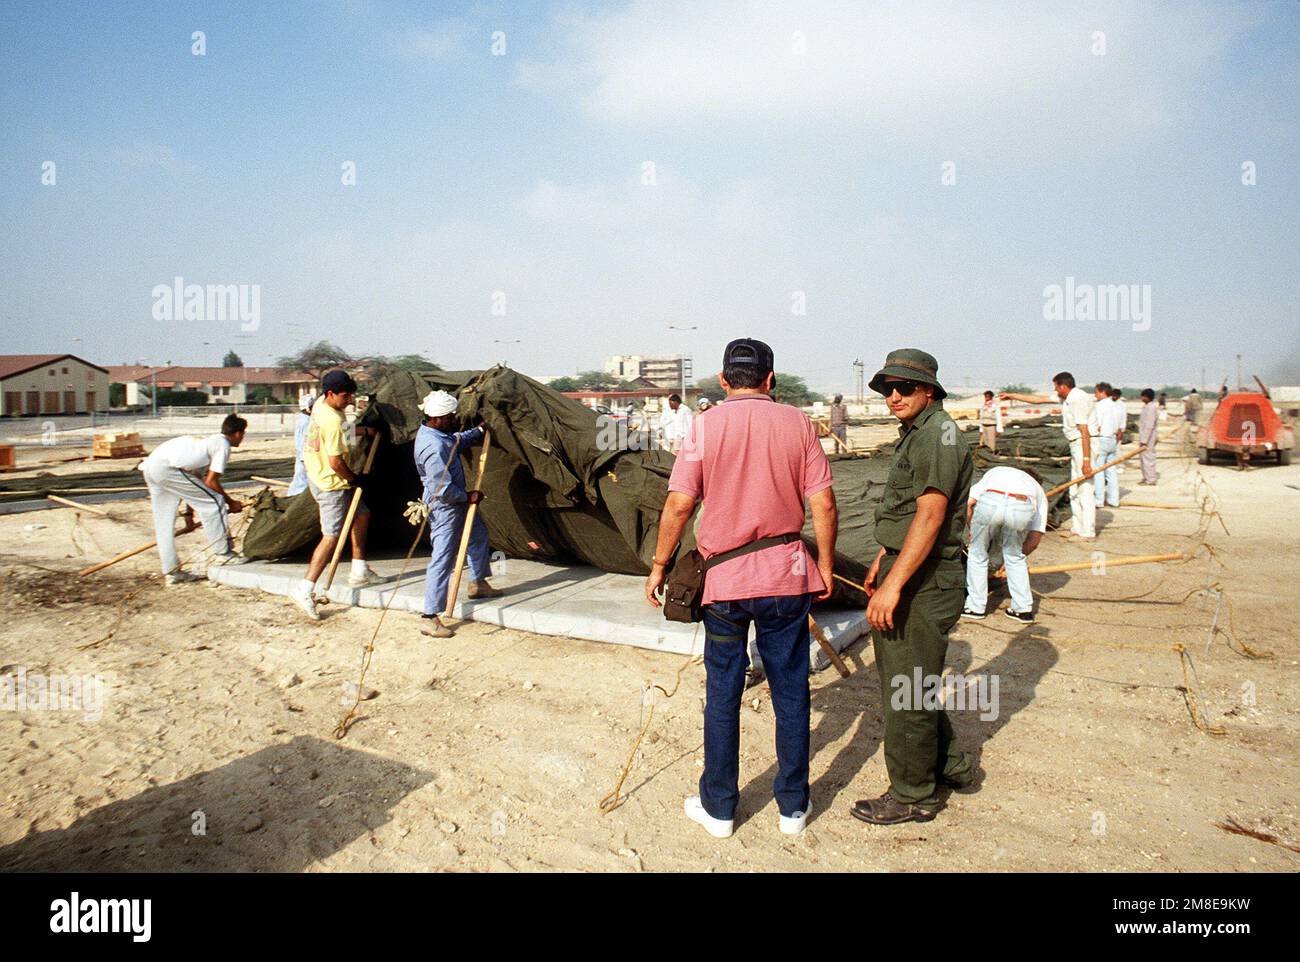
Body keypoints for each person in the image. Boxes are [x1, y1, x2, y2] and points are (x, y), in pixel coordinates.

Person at [645, 338, 837, 839]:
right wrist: (828, 567)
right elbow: (825, 506)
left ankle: (720, 808)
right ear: (771, 381)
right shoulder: (798, 423)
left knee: (723, 691)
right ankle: (793, 808)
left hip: (724, 586)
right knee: (791, 690)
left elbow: (679, 505)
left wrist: (660, 565)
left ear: (724, 380)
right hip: (786, 578)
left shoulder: (705, 425)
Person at [854, 349, 974, 825]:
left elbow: (931, 513)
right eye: (887, 389)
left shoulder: (938, 437)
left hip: (926, 582)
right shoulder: (920, 434)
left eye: (904, 388)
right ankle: (950, 766)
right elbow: (908, 508)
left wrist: (893, 586)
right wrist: (884, 556)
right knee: (910, 682)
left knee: (906, 689)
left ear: (930, 390)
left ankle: (912, 795)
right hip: (909, 571)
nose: (893, 397)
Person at [290, 370, 379, 620]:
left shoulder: (321, 405)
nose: (350, 400)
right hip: (331, 483)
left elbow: (342, 430)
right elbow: (336, 462)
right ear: (331, 394)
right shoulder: (330, 420)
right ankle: (305, 588)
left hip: (319, 474)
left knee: (362, 514)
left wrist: (363, 431)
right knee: (331, 536)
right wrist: (355, 478)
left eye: (351, 394)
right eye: (345, 395)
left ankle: (359, 570)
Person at [414, 389, 503, 639]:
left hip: (456, 502)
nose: (455, 418)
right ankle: (429, 617)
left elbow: (456, 441)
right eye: (451, 416)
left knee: (477, 535)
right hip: (445, 506)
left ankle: (478, 583)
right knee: (443, 557)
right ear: (437, 418)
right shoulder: (432, 447)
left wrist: (479, 432)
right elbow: (441, 489)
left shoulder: (438, 434)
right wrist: (468, 496)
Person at [139, 414, 250, 584]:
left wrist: (189, 516)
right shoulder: (222, 445)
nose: (242, 438)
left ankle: (172, 573)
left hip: (152, 466)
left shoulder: (206, 444)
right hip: (167, 468)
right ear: (237, 433)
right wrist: (231, 502)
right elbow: (211, 482)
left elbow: (194, 484)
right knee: (215, 503)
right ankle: (223, 554)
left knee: (163, 523)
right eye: (243, 434)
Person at [1003, 373, 1098, 540]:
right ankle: (1078, 526)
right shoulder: (1066, 398)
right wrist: (1011, 395)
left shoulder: (1079, 399)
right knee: (1074, 488)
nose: (1054, 390)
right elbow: (1037, 400)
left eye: (1055, 386)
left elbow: (1085, 432)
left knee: (1085, 489)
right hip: (1075, 444)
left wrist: (1086, 461)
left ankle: (1088, 530)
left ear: (1062, 386)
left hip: (1085, 444)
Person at [961, 466, 1048, 624]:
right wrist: (1010, 563)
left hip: (991, 500)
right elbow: (1035, 539)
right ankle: (1023, 610)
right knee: (1015, 557)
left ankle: (975, 607)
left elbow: (967, 503)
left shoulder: (998, 471)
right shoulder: (1038, 492)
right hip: (1023, 506)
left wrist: (973, 530)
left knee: (977, 553)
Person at [1092, 381, 1124, 509]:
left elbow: (1097, 425)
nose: (1095, 395)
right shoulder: (1118, 406)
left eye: (1096, 392)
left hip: (1102, 439)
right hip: (1113, 438)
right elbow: (1121, 426)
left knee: (1099, 470)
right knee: (1111, 470)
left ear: (1102, 392)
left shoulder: (1100, 406)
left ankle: (1099, 500)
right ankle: (1114, 499)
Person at [287, 393, 315, 496]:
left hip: (305, 461)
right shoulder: (306, 423)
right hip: (306, 462)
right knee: (301, 480)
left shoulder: (305, 421)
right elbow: (303, 448)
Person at [1138, 388, 1159, 485]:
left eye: (1143, 396)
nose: (1141, 398)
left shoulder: (1151, 408)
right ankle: (1146, 477)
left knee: (1148, 458)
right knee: (1143, 458)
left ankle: (1151, 479)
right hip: (1144, 437)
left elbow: (1149, 426)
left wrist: (1144, 440)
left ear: (1147, 397)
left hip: (1148, 438)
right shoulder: (1146, 407)